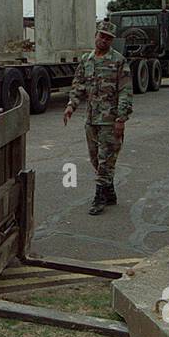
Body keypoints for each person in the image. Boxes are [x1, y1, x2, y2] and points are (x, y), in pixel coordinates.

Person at [64, 20, 132, 215]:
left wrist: (121, 119)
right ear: (96, 36)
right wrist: (71, 105)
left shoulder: (119, 61)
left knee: (106, 159)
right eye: (101, 36)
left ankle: (99, 197)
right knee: (95, 159)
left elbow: (126, 91)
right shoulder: (87, 60)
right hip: (91, 119)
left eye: (108, 38)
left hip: (110, 120)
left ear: (112, 41)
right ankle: (109, 192)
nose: (104, 40)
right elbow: (79, 85)